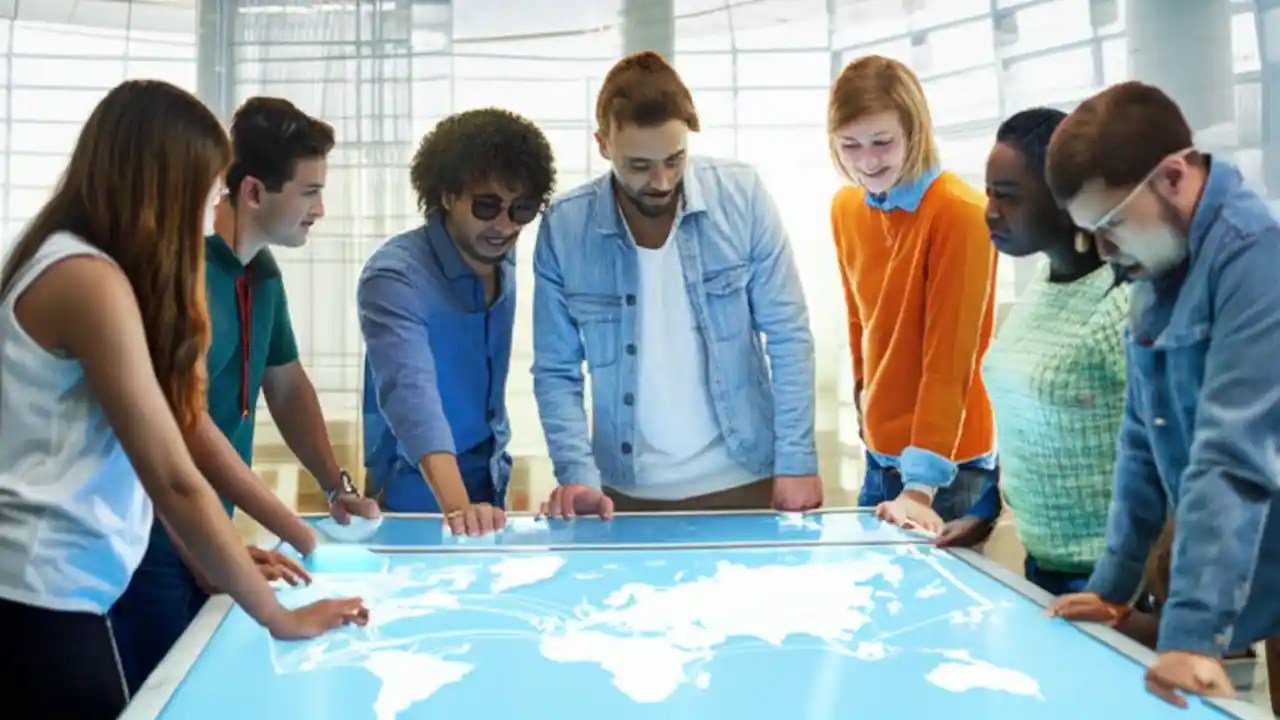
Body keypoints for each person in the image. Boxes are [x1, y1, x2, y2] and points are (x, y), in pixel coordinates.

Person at [0, 79, 367, 720]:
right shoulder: (89, 280)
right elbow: (174, 472)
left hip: (54, 591)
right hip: (41, 596)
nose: (205, 216)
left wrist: (281, 537)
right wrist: (277, 615)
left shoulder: (69, 261)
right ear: (157, 184)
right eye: (199, 194)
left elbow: (188, 424)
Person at [110, 96, 380, 694]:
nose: (320, 209)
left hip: (210, 532)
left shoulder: (263, 275)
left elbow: (286, 386)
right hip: (158, 542)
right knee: (162, 695)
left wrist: (336, 487)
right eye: (309, 192)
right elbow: (175, 440)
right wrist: (219, 549)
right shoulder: (185, 279)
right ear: (254, 193)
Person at [1041, 80, 1280, 708]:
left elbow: (1232, 451)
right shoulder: (1160, 255)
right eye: (1090, 232)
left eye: (1112, 225)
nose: (1104, 251)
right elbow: (1144, 432)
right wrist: (1113, 585)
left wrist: (1194, 637)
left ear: (1173, 176)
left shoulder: (1260, 257)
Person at [533, 51, 821, 516]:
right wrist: (577, 479)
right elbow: (556, 371)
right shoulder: (565, 228)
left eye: (675, 159)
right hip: (621, 493)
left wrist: (798, 461)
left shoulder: (742, 196)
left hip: (749, 476)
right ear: (603, 145)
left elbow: (788, 336)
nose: (662, 180)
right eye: (639, 165)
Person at [827, 55, 1001, 542]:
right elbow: (861, 324)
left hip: (949, 468)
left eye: (883, 142)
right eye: (850, 145)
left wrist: (920, 488)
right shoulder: (846, 208)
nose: (866, 162)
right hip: (882, 455)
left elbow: (950, 357)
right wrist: (866, 412)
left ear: (916, 131)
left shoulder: (961, 214)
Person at [358, 108, 555, 535]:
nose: (504, 225)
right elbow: (411, 396)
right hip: (416, 493)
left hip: (489, 479)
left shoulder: (502, 254)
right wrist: (459, 509)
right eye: (487, 205)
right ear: (447, 195)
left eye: (521, 210)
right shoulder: (394, 278)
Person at [979, 107, 1127, 591]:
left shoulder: (1125, 302)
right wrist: (984, 509)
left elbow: (1184, 462)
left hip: (1116, 587)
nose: (990, 210)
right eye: (989, 193)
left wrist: (1159, 615)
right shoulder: (1046, 280)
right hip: (1045, 569)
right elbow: (1029, 419)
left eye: (1008, 196)